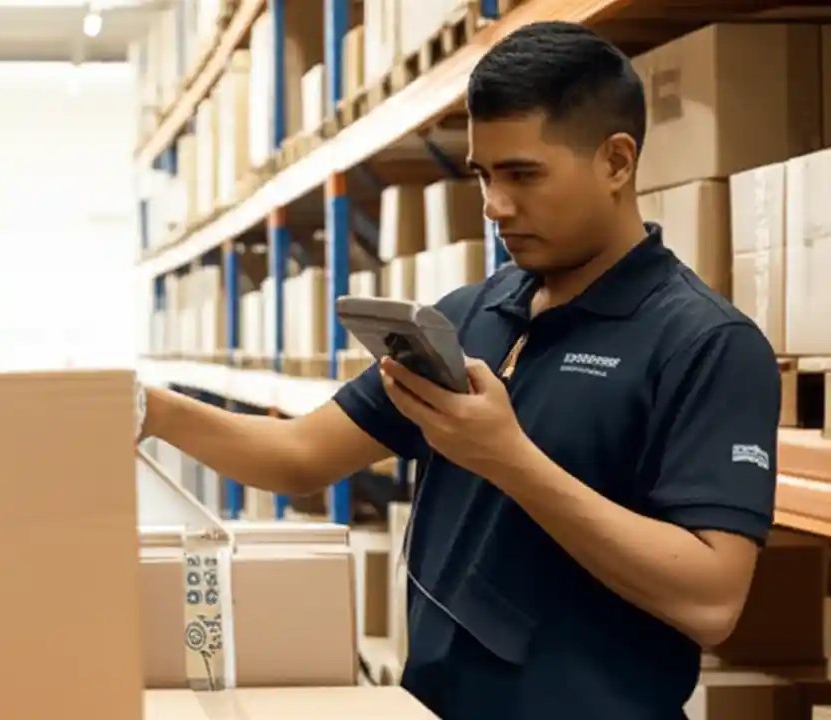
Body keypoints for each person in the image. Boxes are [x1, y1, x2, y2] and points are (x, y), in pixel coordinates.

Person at [137, 20, 781, 719]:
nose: (495, 206)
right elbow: (301, 456)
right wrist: (153, 411)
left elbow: (712, 597)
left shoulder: (705, 343)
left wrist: (507, 459)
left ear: (617, 162)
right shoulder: (472, 316)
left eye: (523, 175)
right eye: (483, 173)